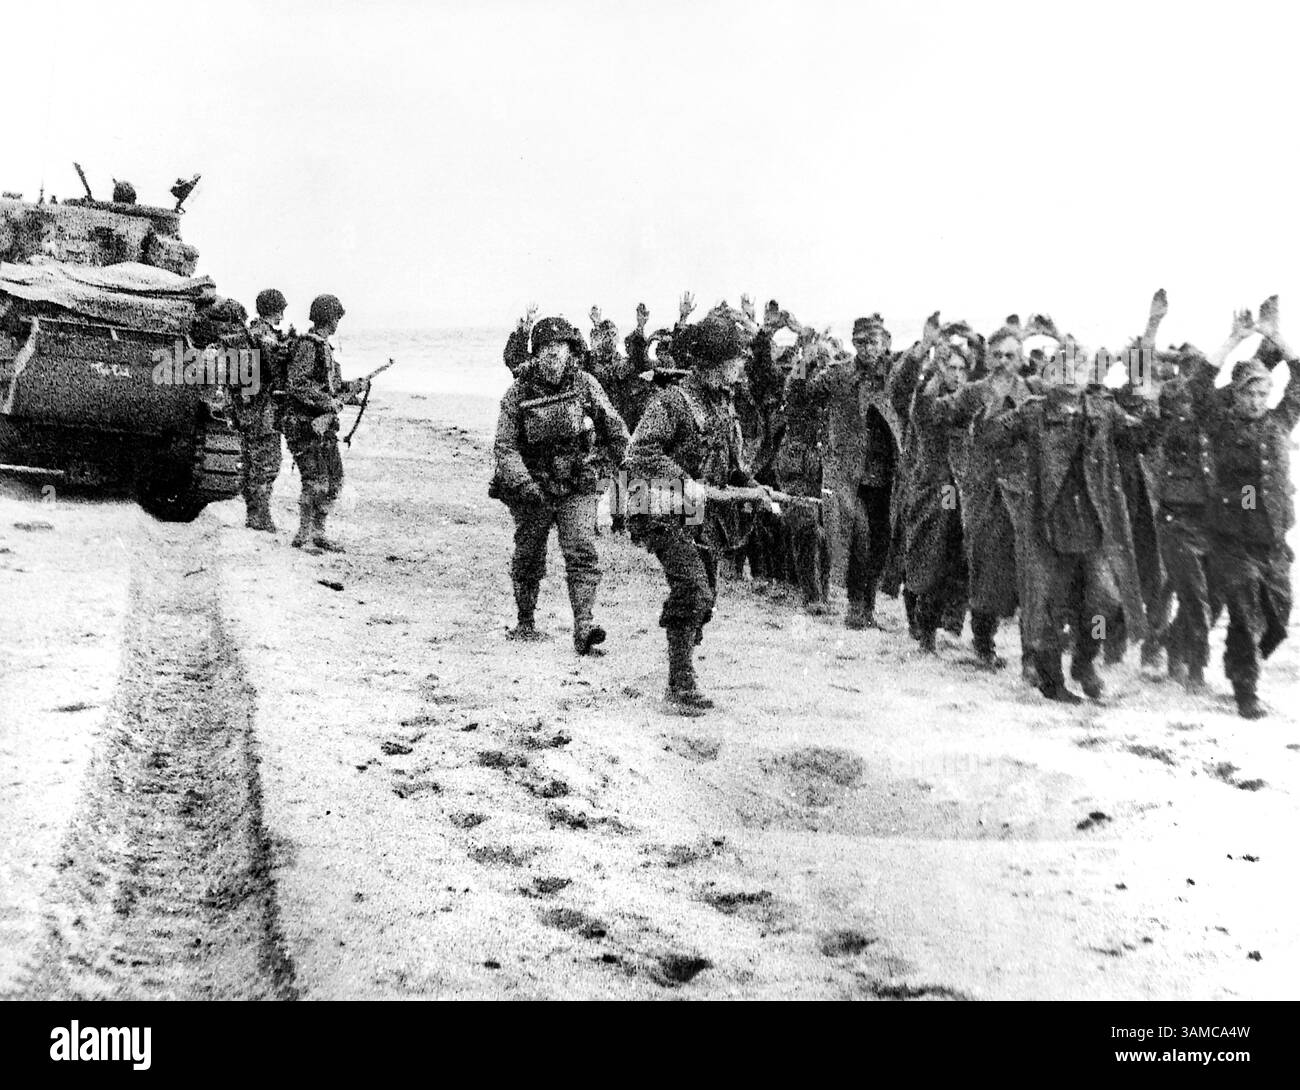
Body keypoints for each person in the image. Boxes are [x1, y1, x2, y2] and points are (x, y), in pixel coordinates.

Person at [981, 351, 1158, 702]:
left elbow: (1142, 437)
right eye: (1064, 368)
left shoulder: (1103, 410)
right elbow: (990, 436)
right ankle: (1053, 682)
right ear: (1052, 374)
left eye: (1079, 368)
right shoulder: (1034, 411)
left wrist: (1147, 397)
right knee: (1049, 605)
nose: (1072, 374)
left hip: (1094, 524)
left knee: (1105, 600)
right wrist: (996, 398)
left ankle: (1085, 660)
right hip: (1049, 526)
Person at [625, 314, 772, 712]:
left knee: (706, 598)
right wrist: (683, 480)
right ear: (713, 364)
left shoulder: (724, 402)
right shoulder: (672, 401)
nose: (741, 368)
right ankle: (680, 682)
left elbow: (732, 465)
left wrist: (753, 486)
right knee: (693, 589)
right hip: (656, 505)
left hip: (697, 511)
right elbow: (639, 453)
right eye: (735, 360)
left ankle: (683, 660)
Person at [490, 316, 630, 653]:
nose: (553, 352)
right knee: (528, 555)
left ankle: (584, 627)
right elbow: (505, 446)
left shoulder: (585, 385)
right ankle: (525, 621)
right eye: (545, 347)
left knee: (581, 549)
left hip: (576, 486)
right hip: (533, 488)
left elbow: (616, 432)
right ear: (536, 353)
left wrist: (603, 469)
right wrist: (524, 484)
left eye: (559, 346)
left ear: (570, 350)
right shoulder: (519, 392)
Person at [1191, 300, 1300, 718]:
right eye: (1248, 393)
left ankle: (1241, 660)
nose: (1256, 400)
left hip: (1273, 542)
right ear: (1235, 395)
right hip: (1232, 541)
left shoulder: (1279, 422)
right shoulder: (1220, 423)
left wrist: (1276, 337)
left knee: (1278, 621)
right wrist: (1234, 340)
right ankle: (1245, 689)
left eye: (1261, 393)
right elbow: (1199, 387)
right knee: (1246, 613)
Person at [935, 323, 1040, 673]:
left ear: (1021, 358)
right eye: (997, 355)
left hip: (1022, 495)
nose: (1003, 361)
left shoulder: (1032, 392)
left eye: (1010, 355)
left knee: (1030, 576)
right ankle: (983, 645)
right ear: (988, 358)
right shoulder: (973, 392)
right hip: (982, 494)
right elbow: (937, 412)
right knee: (984, 571)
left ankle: (1032, 657)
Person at [808, 313, 919, 629]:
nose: (867, 349)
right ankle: (855, 606)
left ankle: (867, 607)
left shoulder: (894, 377)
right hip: (848, 477)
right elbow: (804, 390)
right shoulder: (839, 374)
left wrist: (924, 346)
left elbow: (912, 372)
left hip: (886, 477)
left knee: (881, 543)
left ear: (885, 343)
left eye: (873, 342)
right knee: (858, 538)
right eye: (860, 343)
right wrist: (805, 358)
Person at [901, 330, 975, 652]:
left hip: (960, 487)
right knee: (932, 553)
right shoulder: (928, 398)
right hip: (937, 487)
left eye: (961, 369)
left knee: (957, 555)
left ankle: (946, 624)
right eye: (951, 368)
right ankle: (923, 625)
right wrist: (930, 354)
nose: (957, 374)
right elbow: (918, 400)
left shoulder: (968, 399)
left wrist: (972, 339)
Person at [283, 294, 367, 553]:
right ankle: (304, 536)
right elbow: (297, 384)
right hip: (305, 425)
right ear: (329, 319)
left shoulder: (324, 347)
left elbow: (331, 386)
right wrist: (328, 403)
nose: (337, 323)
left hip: (323, 427)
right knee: (316, 481)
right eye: (335, 318)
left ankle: (318, 533)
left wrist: (354, 387)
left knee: (334, 480)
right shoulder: (308, 346)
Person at [236, 287, 290, 532]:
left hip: (247, 406)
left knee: (252, 461)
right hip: (263, 408)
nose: (282, 316)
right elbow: (277, 369)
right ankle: (260, 516)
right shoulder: (265, 336)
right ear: (275, 310)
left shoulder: (248, 333)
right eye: (280, 310)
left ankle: (253, 514)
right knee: (267, 463)